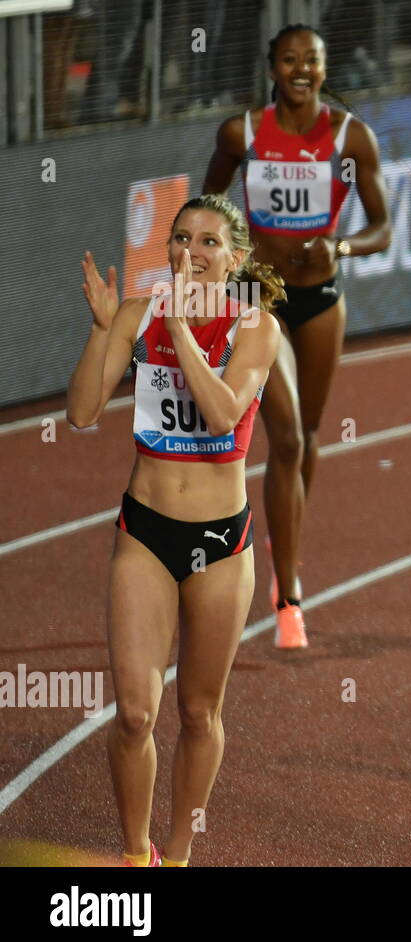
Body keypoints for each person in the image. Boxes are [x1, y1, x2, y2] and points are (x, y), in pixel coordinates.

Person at [68, 194, 282, 866]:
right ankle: (139, 856)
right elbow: (79, 412)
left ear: (238, 258)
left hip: (221, 544)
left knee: (198, 714)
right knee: (134, 713)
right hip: (146, 533)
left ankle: (182, 853)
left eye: (209, 242)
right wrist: (104, 332)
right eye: (180, 239)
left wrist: (184, 331)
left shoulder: (256, 328)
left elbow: (222, 415)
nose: (191, 251)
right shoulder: (139, 313)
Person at [202, 23, 392, 649]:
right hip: (260, 300)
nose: (302, 70)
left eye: (312, 60)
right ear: (273, 68)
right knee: (283, 438)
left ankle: (288, 542)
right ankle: (288, 598)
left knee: (307, 437)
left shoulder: (349, 137)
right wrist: (227, 258)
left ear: (323, 66)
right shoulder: (243, 134)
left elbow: (382, 228)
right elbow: (209, 208)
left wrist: (340, 243)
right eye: (290, 60)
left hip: (323, 299)